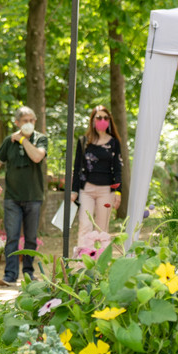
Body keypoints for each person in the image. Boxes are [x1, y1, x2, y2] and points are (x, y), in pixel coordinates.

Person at [0, 106, 47, 288]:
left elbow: (37, 157)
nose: (29, 123)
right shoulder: (9, 141)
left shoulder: (40, 139)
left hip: (34, 197)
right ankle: (10, 275)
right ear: (17, 122)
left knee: (31, 238)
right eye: (25, 121)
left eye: (32, 120)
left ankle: (29, 273)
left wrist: (23, 139)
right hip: (12, 199)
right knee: (12, 237)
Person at [70, 105, 123, 254]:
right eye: (99, 117)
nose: (102, 120)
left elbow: (118, 168)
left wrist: (118, 192)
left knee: (102, 229)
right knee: (85, 226)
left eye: (106, 118)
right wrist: (74, 190)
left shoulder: (114, 143)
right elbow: (77, 167)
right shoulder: (84, 141)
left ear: (109, 121)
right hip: (86, 189)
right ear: (93, 120)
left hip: (106, 190)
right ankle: (82, 263)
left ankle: (100, 264)